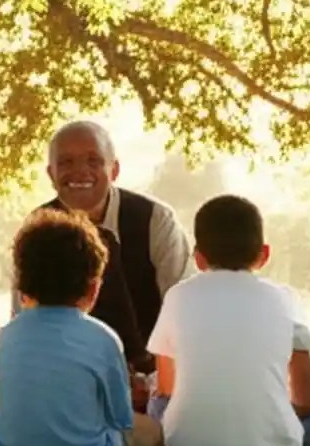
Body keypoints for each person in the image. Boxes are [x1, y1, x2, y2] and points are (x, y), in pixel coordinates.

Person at [145, 195, 310, 446]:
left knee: (157, 401)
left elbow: (167, 389)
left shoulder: (178, 296)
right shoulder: (284, 299)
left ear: (198, 258)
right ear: (264, 254)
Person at [0, 209, 164, 446]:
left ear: (22, 287)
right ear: (93, 288)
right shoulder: (103, 337)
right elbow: (120, 418)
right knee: (151, 432)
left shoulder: (8, 334)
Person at [14, 121, 194, 389]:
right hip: (65, 381)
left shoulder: (154, 220)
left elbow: (183, 311)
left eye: (93, 161)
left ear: (115, 170)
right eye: (66, 162)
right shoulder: (37, 227)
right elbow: (23, 318)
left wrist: (157, 382)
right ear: (51, 174)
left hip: (153, 379)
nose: (80, 171)